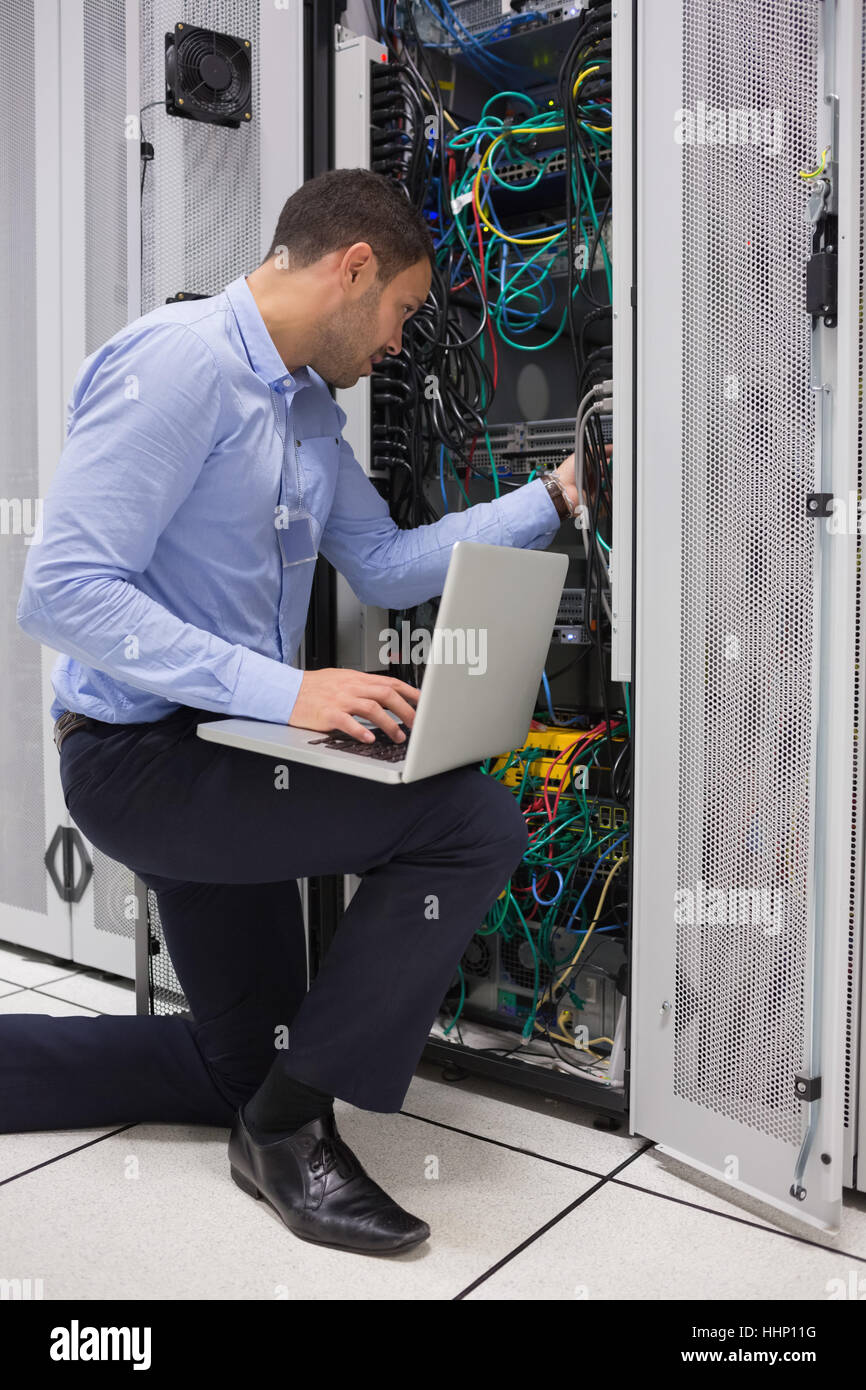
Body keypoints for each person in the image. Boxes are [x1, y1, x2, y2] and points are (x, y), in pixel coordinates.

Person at [12, 167, 579, 1256]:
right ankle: (288, 1135)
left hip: (233, 748)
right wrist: (292, 691)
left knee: (246, 1060)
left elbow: (387, 564)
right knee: (469, 825)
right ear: (353, 268)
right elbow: (66, 593)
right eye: (402, 310)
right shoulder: (176, 364)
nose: (401, 343)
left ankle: (254, 1104)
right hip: (138, 758)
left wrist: (553, 497)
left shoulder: (309, 408)